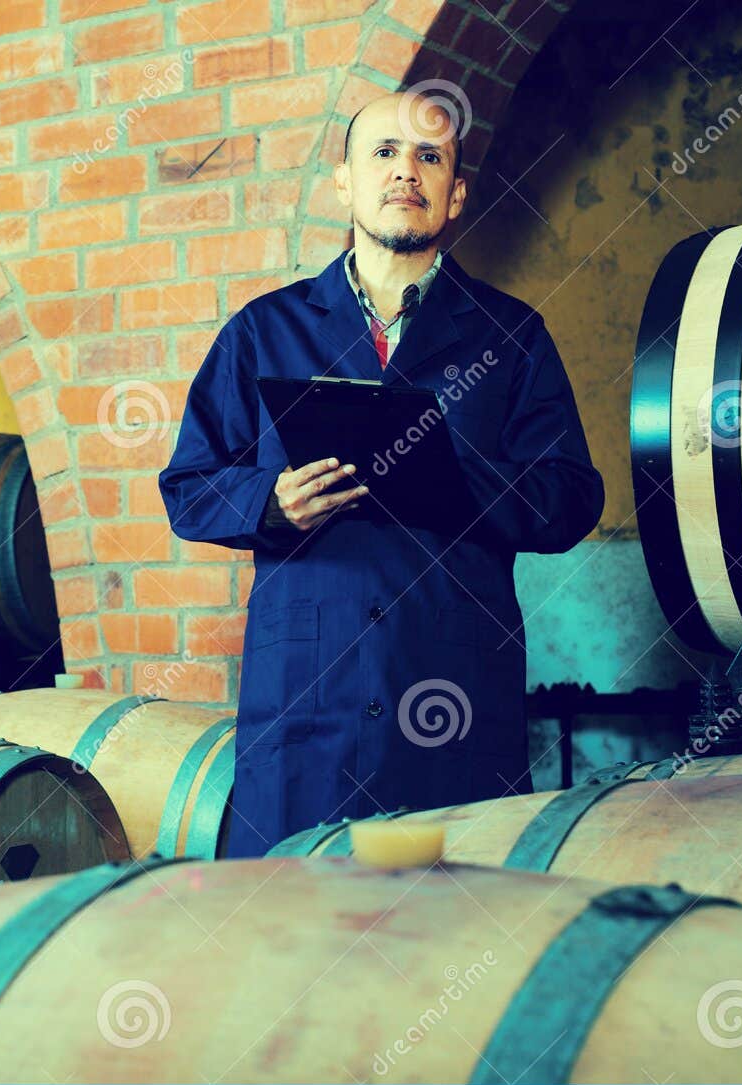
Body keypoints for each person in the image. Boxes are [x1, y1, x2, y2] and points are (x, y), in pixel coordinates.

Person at [158, 90, 604, 854]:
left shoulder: (511, 337)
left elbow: (572, 496)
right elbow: (188, 485)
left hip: (454, 704)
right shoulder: (263, 330)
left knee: (457, 910)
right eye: (385, 153)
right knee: (296, 909)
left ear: (455, 194)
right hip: (306, 704)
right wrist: (270, 501)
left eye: (430, 156)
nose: (407, 172)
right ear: (345, 182)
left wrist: (453, 472)